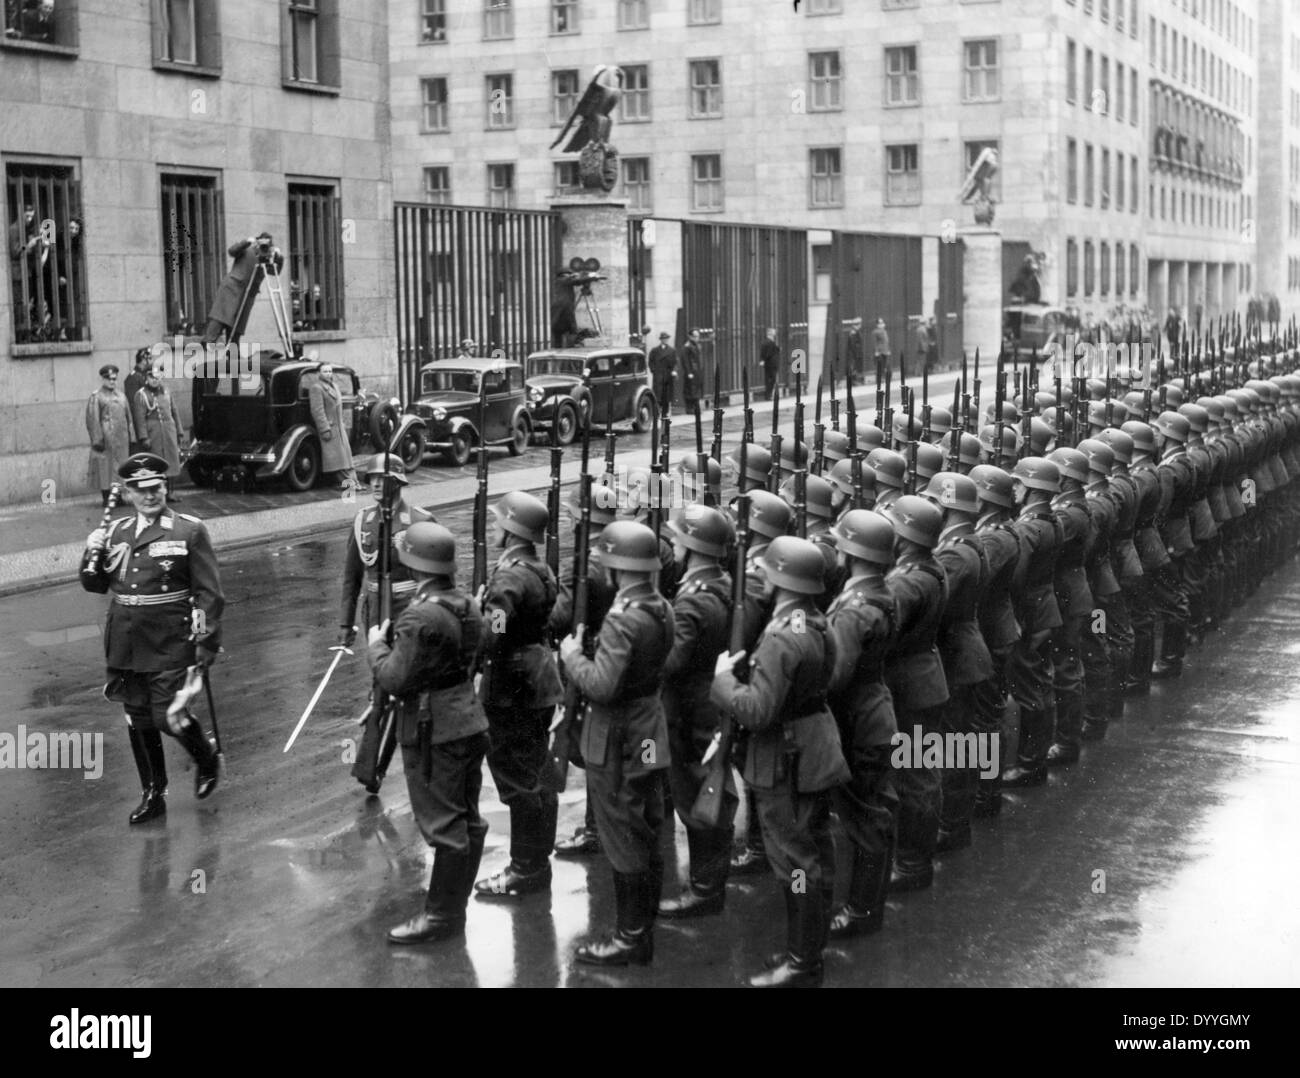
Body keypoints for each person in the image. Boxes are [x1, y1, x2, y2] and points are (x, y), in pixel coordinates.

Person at [711, 535, 849, 987]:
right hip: (813, 745)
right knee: (813, 851)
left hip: (784, 756)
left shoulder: (779, 637)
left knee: (794, 862)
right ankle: (809, 948)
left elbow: (757, 709)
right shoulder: (816, 621)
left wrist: (724, 684)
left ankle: (802, 963)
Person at [81, 452, 223, 825]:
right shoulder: (116, 532)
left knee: (166, 714)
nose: (149, 496)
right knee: (138, 717)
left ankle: (206, 758)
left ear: (165, 487)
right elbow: (95, 585)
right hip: (127, 640)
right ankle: (153, 792)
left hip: (169, 639)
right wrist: (90, 550)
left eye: (156, 488)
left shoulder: (188, 530)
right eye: (140, 490)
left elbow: (209, 595)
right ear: (128, 492)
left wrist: (206, 644)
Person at [369, 523, 491, 944]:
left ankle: (442, 917)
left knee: (444, 826)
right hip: (468, 717)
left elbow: (394, 678)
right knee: (468, 818)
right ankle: (454, 905)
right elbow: (483, 644)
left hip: (433, 728)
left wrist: (375, 647)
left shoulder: (420, 614)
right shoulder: (466, 603)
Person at [559, 521, 674, 966]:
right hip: (647, 729)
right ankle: (642, 925)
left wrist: (574, 659)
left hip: (618, 734)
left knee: (622, 830)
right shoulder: (661, 606)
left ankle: (631, 938)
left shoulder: (623, 618)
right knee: (645, 822)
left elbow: (603, 685)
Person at [472, 491, 565, 899]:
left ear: (512, 530)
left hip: (512, 686)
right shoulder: (538, 568)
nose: (494, 528)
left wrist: (473, 648)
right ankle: (535, 861)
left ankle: (526, 869)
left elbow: (494, 631)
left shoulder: (510, 576)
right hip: (538, 678)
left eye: (498, 523)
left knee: (518, 780)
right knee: (537, 774)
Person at [340, 457, 438, 793]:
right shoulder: (362, 521)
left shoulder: (420, 521)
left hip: (409, 610)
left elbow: (436, 575)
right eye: (371, 479)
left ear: (398, 482)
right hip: (374, 612)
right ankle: (373, 764)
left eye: (383, 479)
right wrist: (345, 623)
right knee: (382, 684)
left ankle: (403, 765)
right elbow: (352, 576)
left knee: (406, 686)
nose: (376, 485)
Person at [658, 505, 736, 919]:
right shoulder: (720, 583)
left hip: (690, 711)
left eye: (677, 540)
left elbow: (672, 662)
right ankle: (709, 884)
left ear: (693, 548)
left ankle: (705, 891)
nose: (672, 545)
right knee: (708, 794)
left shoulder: (693, 602)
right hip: (708, 703)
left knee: (698, 798)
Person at [825, 508, 899, 939]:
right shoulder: (876, 593)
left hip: (858, 722)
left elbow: (835, 677)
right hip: (874, 713)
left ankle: (862, 912)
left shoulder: (855, 609)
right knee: (874, 813)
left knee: (866, 818)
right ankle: (868, 905)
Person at [202, 233, 276, 345]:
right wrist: (245, 242)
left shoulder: (268, 257)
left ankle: (233, 353)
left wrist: (278, 257)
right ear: (258, 241)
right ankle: (206, 345)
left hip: (248, 293)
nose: (263, 247)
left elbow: (275, 271)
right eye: (262, 243)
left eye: (267, 244)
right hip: (233, 288)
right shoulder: (247, 249)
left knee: (238, 325)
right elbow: (232, 251)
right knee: (220, 319)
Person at [131, 366, 185, 501]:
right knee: (156, 463)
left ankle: (170, 492)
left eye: (157, 377)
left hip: (168, 431)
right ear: (146, 378)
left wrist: (179, 431)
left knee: (172, 461)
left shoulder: (166, 391)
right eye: (151, 377)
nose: (155, 380)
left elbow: (174, 412)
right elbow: (140, 418)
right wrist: (144, 437)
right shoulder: (141, 395)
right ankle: (157, 493)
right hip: (153, 433)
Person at [86, 364, 136, 507]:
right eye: (109, 379)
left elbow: (129, 417)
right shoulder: (97, 397)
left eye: (114, 379)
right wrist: (97, 439)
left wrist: (131, 436)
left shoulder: (121, 395)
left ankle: (119, 496)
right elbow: (93, 419)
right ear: (103, 379)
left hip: (121, 439)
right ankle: (107, 497)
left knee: (120, 467)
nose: (112, 381)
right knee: (105, 469)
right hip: (106, 439)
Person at [307, 362, 357, 489]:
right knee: (337, 460)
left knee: (345, 458)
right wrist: (324, 429)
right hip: (330, 427)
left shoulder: (334, 386)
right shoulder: (316, 388)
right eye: (325, 371)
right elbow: (317, 411)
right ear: (319, 373)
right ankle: (348, 483)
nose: (328, 374)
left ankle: (353, 482)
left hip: (339, 427)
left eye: (330, 371)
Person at [123, 348, 154, 433]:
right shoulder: (133, 378)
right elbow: (134, 405)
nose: (152, 362)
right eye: (150, 358)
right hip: (141, 423)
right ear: (144, 360)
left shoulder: (145, 375)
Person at [649, 332, 677, 413]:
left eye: (666, 339)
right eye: (663, 339)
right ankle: (657, 411)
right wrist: (653, 370)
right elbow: (651, 361)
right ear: (660, 340)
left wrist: (674, 371)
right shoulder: (655, 350)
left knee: (667, 394)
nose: (665, 340)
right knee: (658, 394)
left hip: (668, 375)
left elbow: (675, 362)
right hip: (658, 374)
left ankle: (665, 411)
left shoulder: (672, 350)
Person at [681, 329, 703, 413]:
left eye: (698, 336)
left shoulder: (697, 345)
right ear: (690, 336)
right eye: (695, 336)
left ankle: (695, 408)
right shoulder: (687, 347)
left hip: (697, 372)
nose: (697, 338)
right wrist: (688, 372)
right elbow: (685, 360)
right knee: (690, 390)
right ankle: (690, 408)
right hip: (691, 372)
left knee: (696, 389)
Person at [760, 327, 781, 401]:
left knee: (770, 379)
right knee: (771, 379)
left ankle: (768, 395)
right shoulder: (768, 342)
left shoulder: (771, 342)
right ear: (770, 334)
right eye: (773, 333)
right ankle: (768, 395)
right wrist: (763, 359)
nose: (774, 334)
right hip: (771, 363)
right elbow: (766, 352)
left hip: (771, 363)